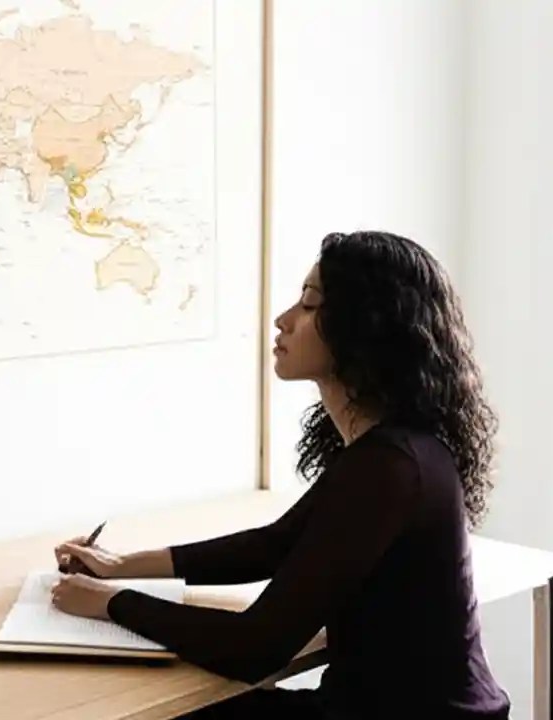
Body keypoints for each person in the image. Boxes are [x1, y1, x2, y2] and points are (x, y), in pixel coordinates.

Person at [49, 231, 509, 719]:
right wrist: (122, 565)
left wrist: (112, 604)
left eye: (309, 304)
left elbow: (256, 648)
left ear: (365, 328)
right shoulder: (392, 449)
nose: (283, 320)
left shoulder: (390, 467)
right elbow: (276, 544)